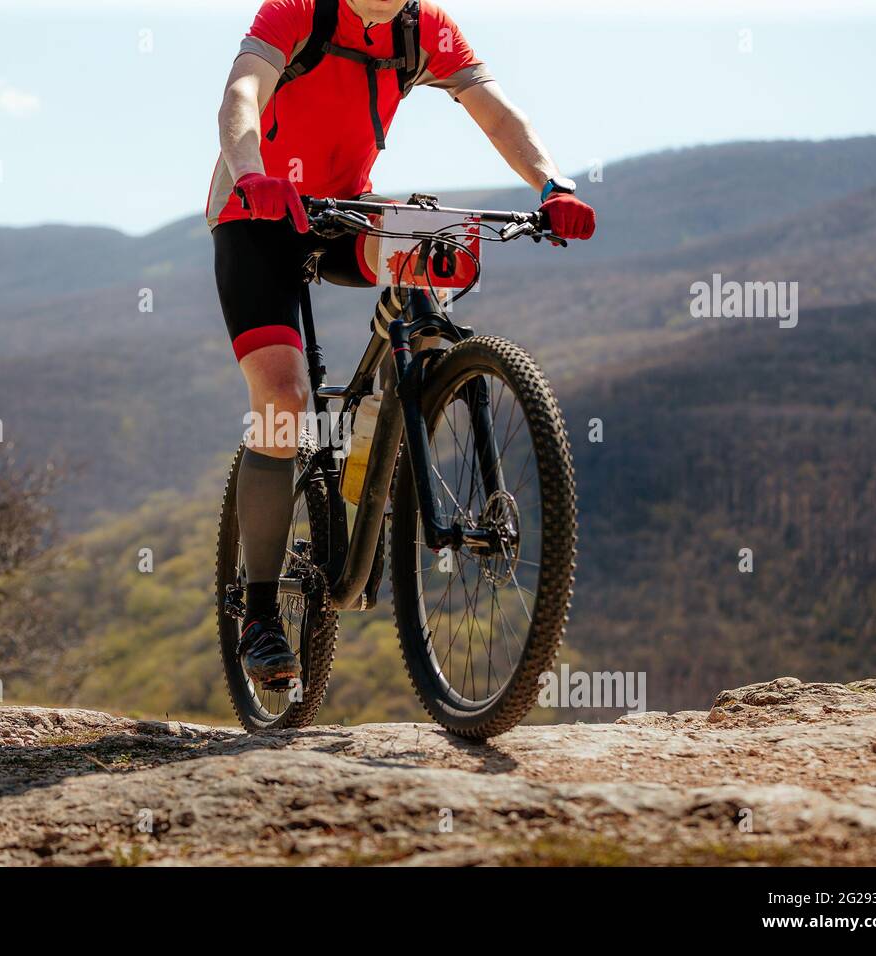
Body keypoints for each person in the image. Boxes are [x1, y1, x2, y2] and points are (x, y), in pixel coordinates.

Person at [210, 0, 596, 684]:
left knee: (431, 256)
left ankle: (376, 439)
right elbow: (241, 95)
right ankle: (262, 614)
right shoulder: (296, 10)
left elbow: (496, 111)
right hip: (258, 212)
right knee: (283, 397)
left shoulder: (426, 28)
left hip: (344, 211)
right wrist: (250, 172)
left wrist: (551, 182)